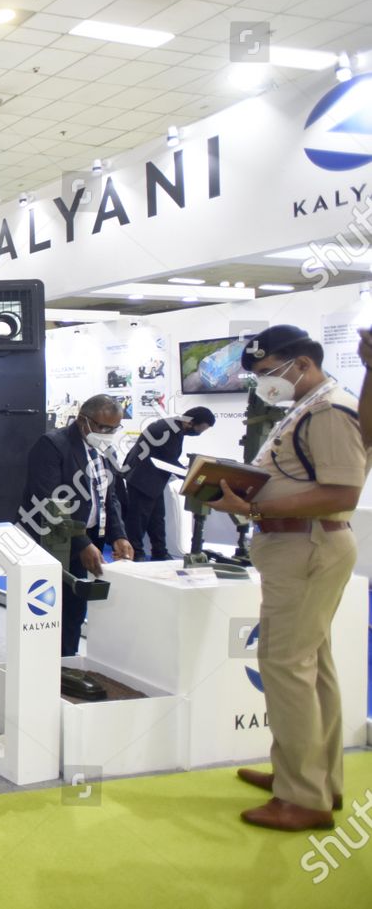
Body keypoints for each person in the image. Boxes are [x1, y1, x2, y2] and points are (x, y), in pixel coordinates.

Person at [208, 325, 368, 831]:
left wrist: (252, 506)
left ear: (300, 363)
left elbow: (342, 492)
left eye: (265, 372)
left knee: (286, 664)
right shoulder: (306, 408)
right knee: (309, 665)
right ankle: (307, 778)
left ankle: (304, 797)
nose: (261, 382)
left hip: (307, 547)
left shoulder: (329, 410)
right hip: (296, 546)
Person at [18, 393, 135, 659]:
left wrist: (119, 535)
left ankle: (66, 665)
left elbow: (110, 497)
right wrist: (81, 542)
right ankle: (40, 667)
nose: (108, 433)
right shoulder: (52, 445)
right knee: (46, 611)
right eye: (103, 427)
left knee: (74, 609)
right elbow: (48, 500)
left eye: (114, 428)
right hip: (53, 540)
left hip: (90, 537)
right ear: (83, 420)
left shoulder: (107, 451)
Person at [121, 406, 215, 559]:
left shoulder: (174, 427)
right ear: (192, 422)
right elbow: (169, 459)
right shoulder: (169, 430)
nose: (199, 433)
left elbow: (168, 457)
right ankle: (135, 553)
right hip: (142, 479)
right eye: (201, 429)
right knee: (138, 519)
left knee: (156, 518)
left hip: (152, 480)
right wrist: (193, 477)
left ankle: (159, 552)